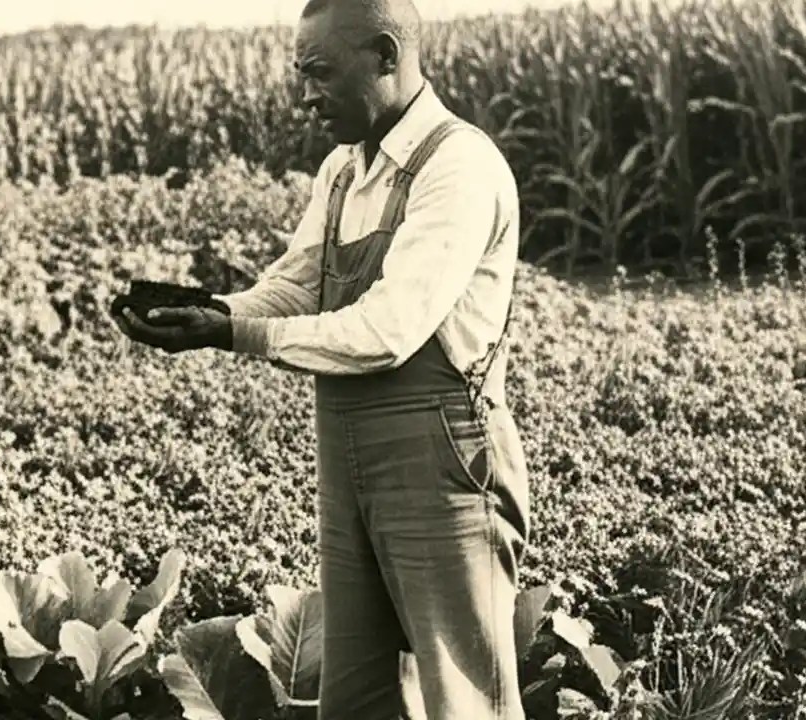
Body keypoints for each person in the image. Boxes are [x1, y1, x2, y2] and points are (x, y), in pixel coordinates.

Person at [113, 0, 530, 717]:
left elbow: (388, 332)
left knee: (465, 698)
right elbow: (296, 286)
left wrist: (236, 335)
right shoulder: (342, 169)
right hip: (349, 462)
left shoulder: (458, 166)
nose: (306, 95)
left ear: (386, 56)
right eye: (300, 74)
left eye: (321, 73)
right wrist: (211, 313)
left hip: (442, 468)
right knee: (355, 696)